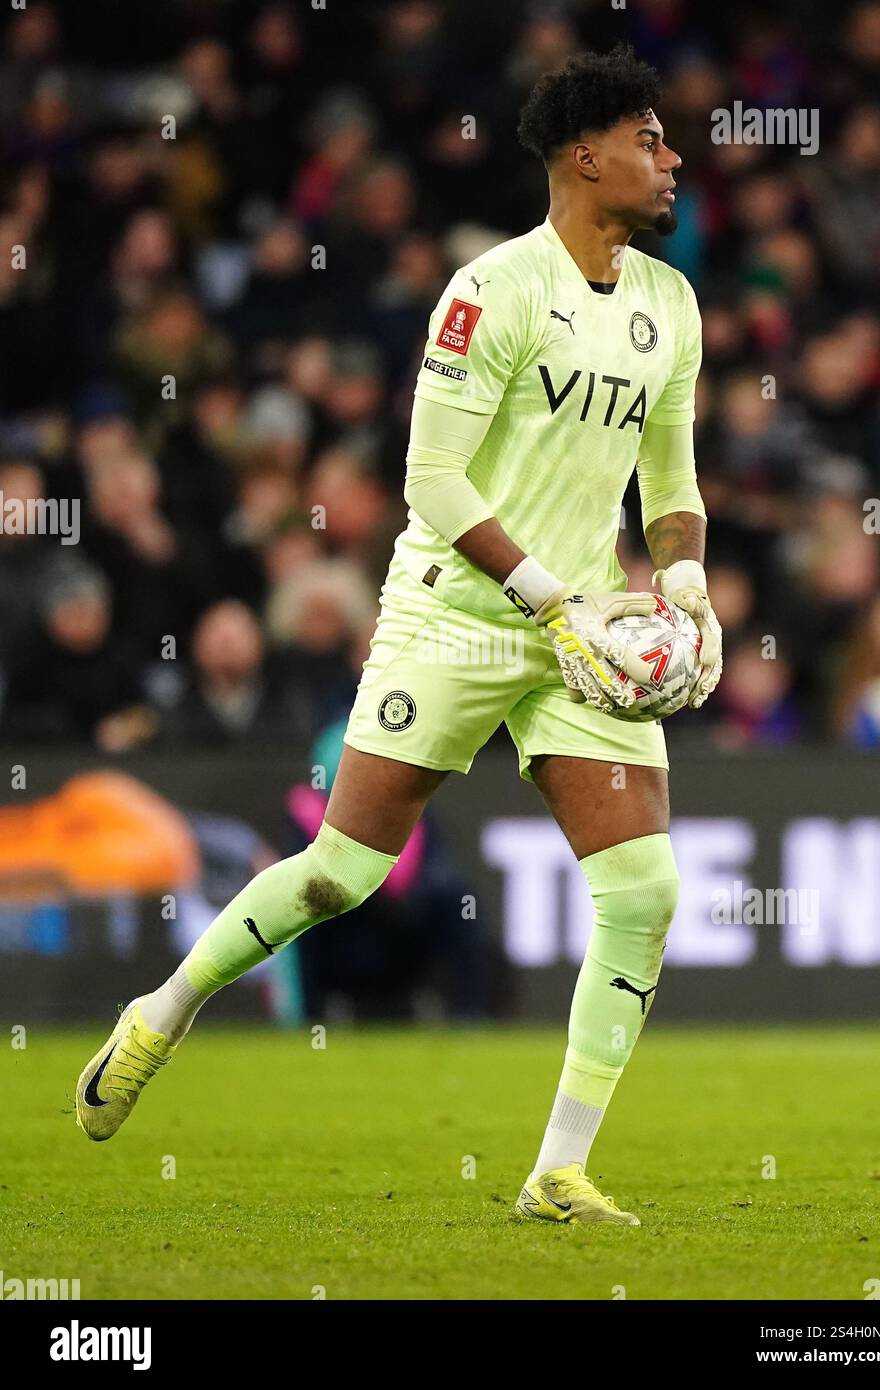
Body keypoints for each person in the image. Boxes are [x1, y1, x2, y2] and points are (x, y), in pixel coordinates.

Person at [75, 45, 722, 1226]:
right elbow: (432, 479)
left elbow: (668, 481)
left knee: (644, 887)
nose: (671, 157)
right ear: (585, 154)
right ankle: (157, 1015)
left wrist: (680, 580)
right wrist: (547, 598)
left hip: (578, 625)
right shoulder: (491, 291)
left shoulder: (669, 305)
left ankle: (556, 1173)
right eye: (648, 136)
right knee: (342, 874)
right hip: (459, 610)